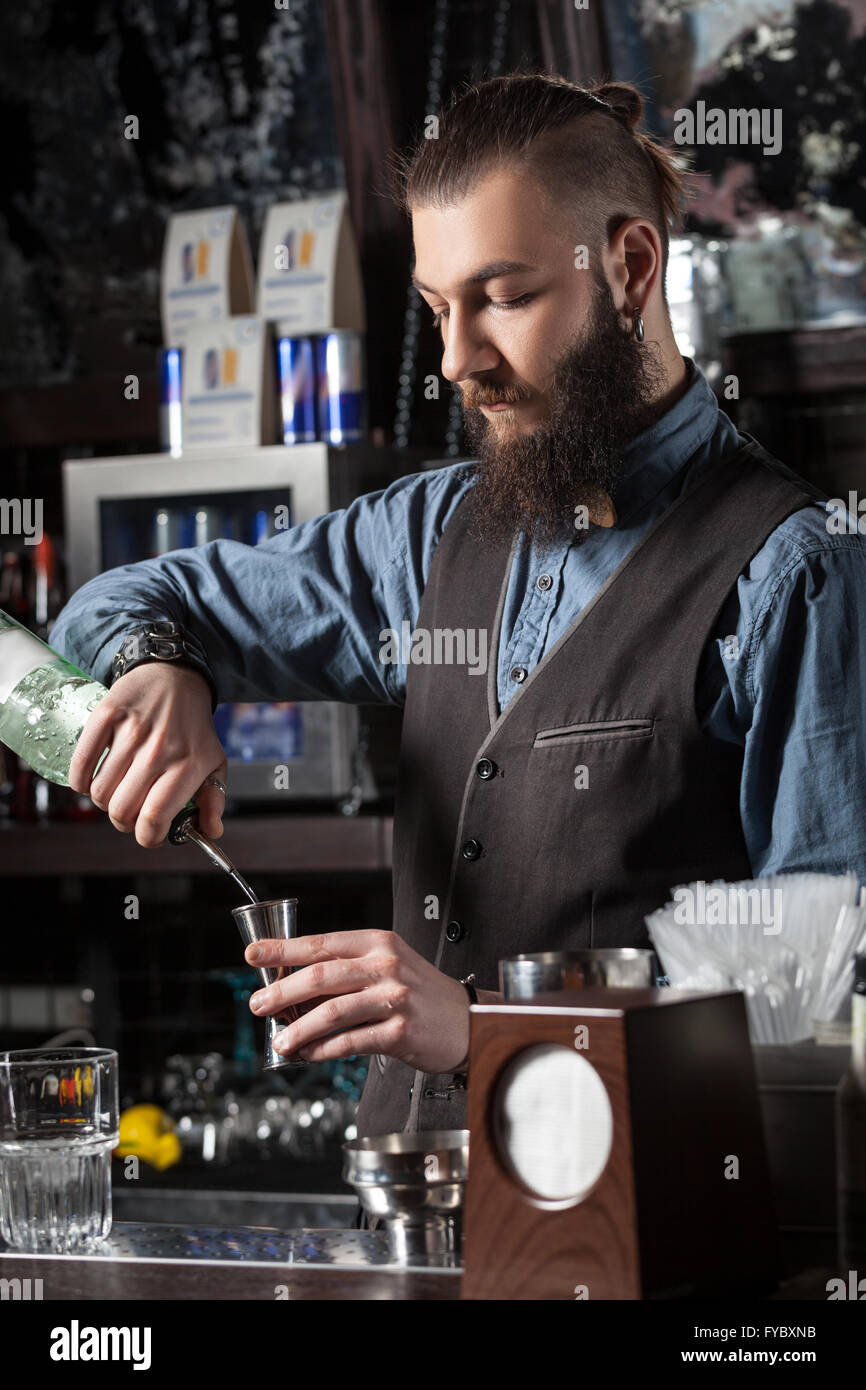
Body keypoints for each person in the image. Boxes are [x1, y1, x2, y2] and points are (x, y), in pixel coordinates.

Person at [51, 74, 866, 1138]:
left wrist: (487, 1026)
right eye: (439, 308)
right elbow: (117, 600)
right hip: (409, 1220)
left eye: (504, 297)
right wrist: (162, 664)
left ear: (626, 267)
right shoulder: (427, 536)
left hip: (650, 1234)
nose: (456, 361)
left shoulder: (792, 574)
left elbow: (825, 1009)